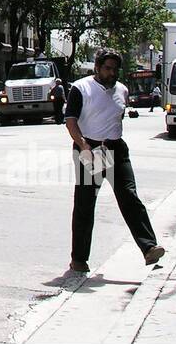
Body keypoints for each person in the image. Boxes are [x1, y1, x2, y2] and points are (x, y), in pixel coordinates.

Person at [63, 48, 165, 274]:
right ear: (97, 68)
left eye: (115, 69)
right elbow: (71, 121)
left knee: (129, 195)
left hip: (116, 149)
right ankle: (79, 258)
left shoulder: (122, 90)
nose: (112, 73)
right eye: (107, 68)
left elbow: (117, 117)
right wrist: (83, 146)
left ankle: (149, 247)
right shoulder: (81, 88)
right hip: (89, 148)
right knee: (85, 203)